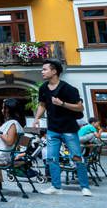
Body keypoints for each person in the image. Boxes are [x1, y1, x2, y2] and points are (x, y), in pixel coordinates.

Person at [34, 59, 92, 196]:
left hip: (69, 129)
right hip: (52, 129)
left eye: (45, 69)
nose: (42, 72)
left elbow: (80, 107)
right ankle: (56, 187)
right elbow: (42, 104)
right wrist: (36, 118)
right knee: (51, 158)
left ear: (54, 71)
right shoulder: (43, 88)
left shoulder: (68, 89)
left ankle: (85, 187)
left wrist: (62, 104)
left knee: (76, 157)